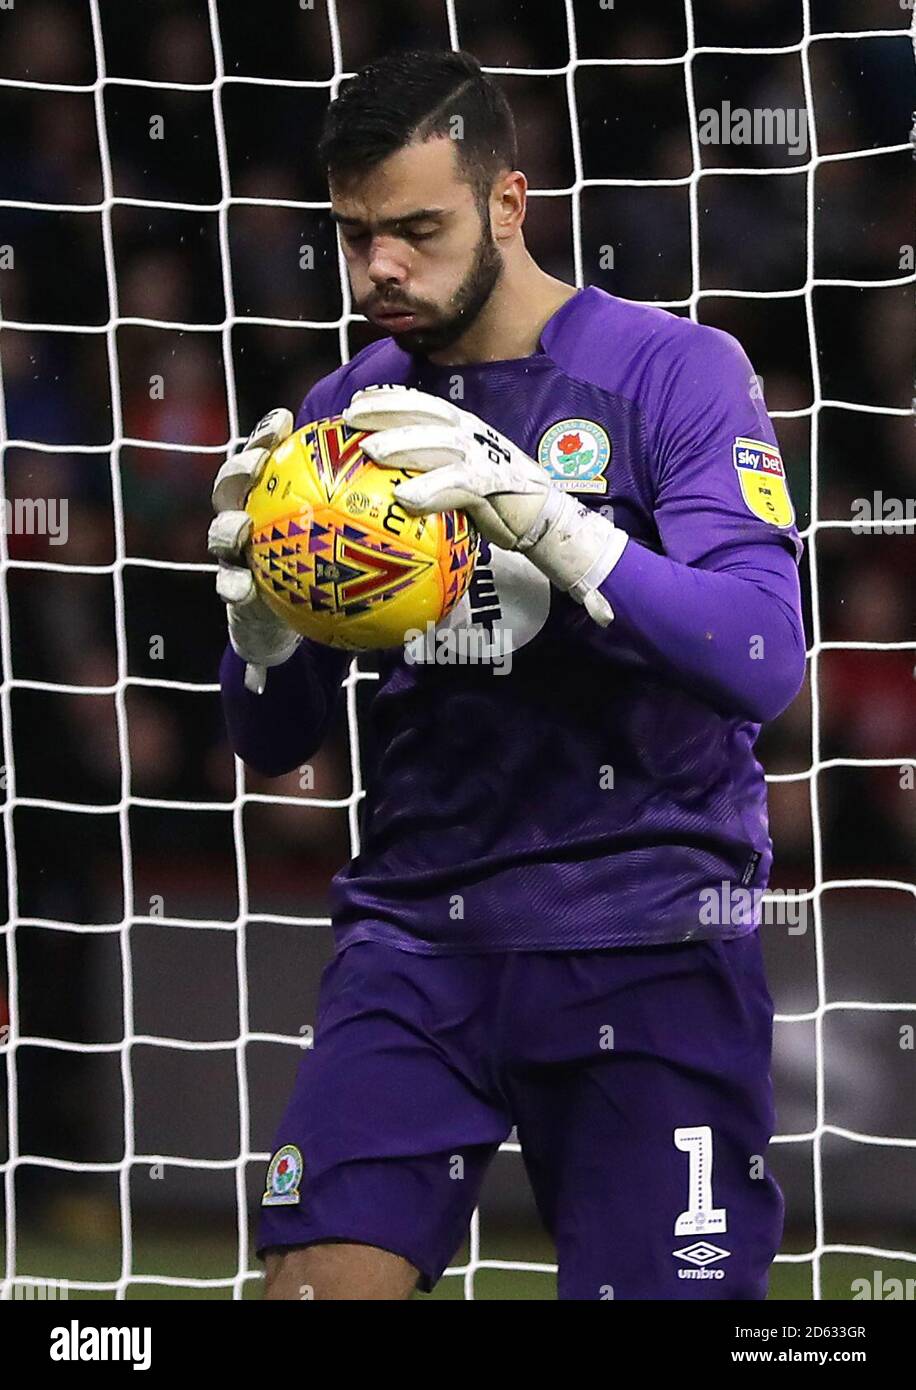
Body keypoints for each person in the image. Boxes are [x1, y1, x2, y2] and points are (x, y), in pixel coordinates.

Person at [208, 49, 805, 1300]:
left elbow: (761, 658)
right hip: (417, 938)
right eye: (357, 235)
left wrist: (556, 524)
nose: (381, 268)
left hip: (647, 934)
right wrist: (263, 632)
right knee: (314, 1285)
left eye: (418, 229)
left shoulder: (671, 373)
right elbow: (273, 743)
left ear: (509, 202)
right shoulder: (344, 416)